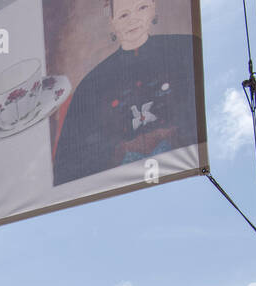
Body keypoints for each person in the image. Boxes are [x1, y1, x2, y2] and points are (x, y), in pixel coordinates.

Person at [52, 0, 202, 186]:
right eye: (123, 15)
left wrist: (172, 136)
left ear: (153, 9)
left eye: (142, 8)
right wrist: (119, 151)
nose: (133, 20)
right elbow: (68, 166)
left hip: (187, 179)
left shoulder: (186, 49)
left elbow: (206, 115)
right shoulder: (91, 84)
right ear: (112, 23)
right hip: (121, 196)